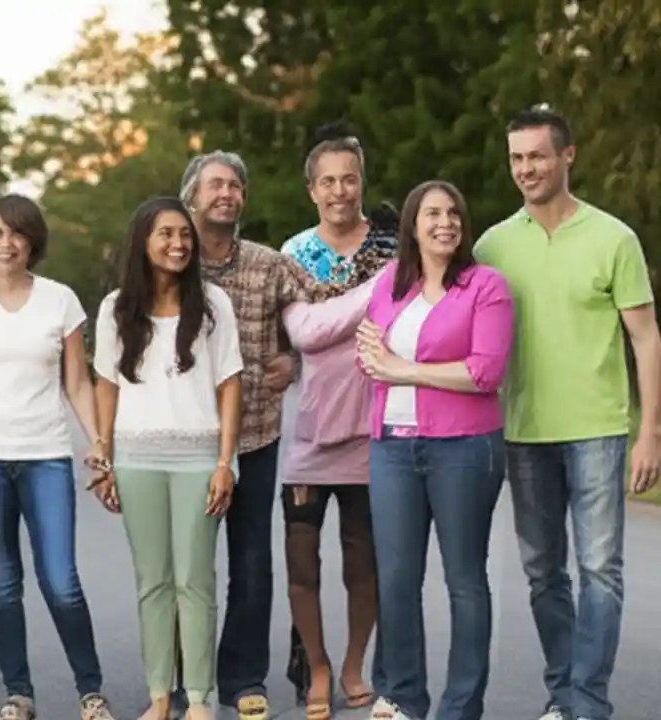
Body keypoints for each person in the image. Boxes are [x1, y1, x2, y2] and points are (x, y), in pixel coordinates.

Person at [474, 105, 661, 720]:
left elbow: (646, 338)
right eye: (517, 158)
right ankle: (564, 694)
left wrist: (650, 433)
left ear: (567, 156)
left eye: (537, 155)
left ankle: (588, 702)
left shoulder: (614, 239)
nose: (526, 168)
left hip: (598, 431)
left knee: (600, 570)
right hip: (524, 432)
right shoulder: (491, 246)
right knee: (543, 573)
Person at [0, 194, 115, 720]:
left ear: (32, 242)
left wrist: (98, 440)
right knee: (2, 585)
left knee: (61, 581)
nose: (5, 243)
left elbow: (77, 382)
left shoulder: (60, 301)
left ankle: (90, 692)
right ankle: (19, 693)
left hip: (45, 456)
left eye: (15, 234)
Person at [356, 180, 515, 720]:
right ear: (413, 225)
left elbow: (485, 372)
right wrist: (387, 365)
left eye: (453, 213)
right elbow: (368, 357)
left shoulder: (486, 287)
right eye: (432, 213)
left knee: (464, 581)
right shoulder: (390, 284)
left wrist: (404, 370)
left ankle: (461, 707)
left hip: (463, 450)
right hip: (393, 450)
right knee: (397, 580)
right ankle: (403, 699)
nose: (445, 222)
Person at [89, 196, 243, 720]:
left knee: (194, 581)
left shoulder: (214, 304)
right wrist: (104, 459)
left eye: (184, 235)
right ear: (143, 241)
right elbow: (106, 387)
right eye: (166, 234)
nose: (178, 244)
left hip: (200, 458)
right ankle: (159, 696)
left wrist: (225, 462)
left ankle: (199, 698)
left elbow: (229, 384)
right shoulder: (116, 309)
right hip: (137, 459)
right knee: (152, 581)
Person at [175, 150, 312, 720]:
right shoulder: (170, 260)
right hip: (185, 439)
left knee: (252, 563)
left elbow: (325, 311)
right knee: (187, 567)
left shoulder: (269, 264)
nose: (226, 193)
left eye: (234, 185)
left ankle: (243, 677)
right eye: (215, 184)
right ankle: (185, 680)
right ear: (191, 197)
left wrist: (296, 358)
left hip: (255, 435)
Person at [277, 127, 394, 715]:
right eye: (328, 181)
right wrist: (373, 296)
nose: (340, 191)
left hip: (373, 427)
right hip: (309, 430)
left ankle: (353, 664)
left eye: (349, 179)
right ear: (311, 189)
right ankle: (317, 667)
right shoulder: (294, 254)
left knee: (363, 562)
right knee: (302, 562)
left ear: (362, 182)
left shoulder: (392, 247)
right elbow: (305, 333)